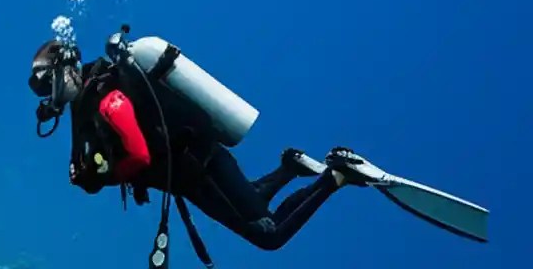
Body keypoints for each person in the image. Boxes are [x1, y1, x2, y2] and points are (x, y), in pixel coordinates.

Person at [28, 27, 487, 262]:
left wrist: (104, 177)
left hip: (200, 163)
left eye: (47, 87)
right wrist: (91, 175)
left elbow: (141, 157)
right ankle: (289, 167)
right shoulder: (85, 102)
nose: (48, 100)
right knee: (253, 203)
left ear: (68, 69)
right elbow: (95, 168)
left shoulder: (107, 100)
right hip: (188, 177)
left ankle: (337, 176)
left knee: (267, 236)